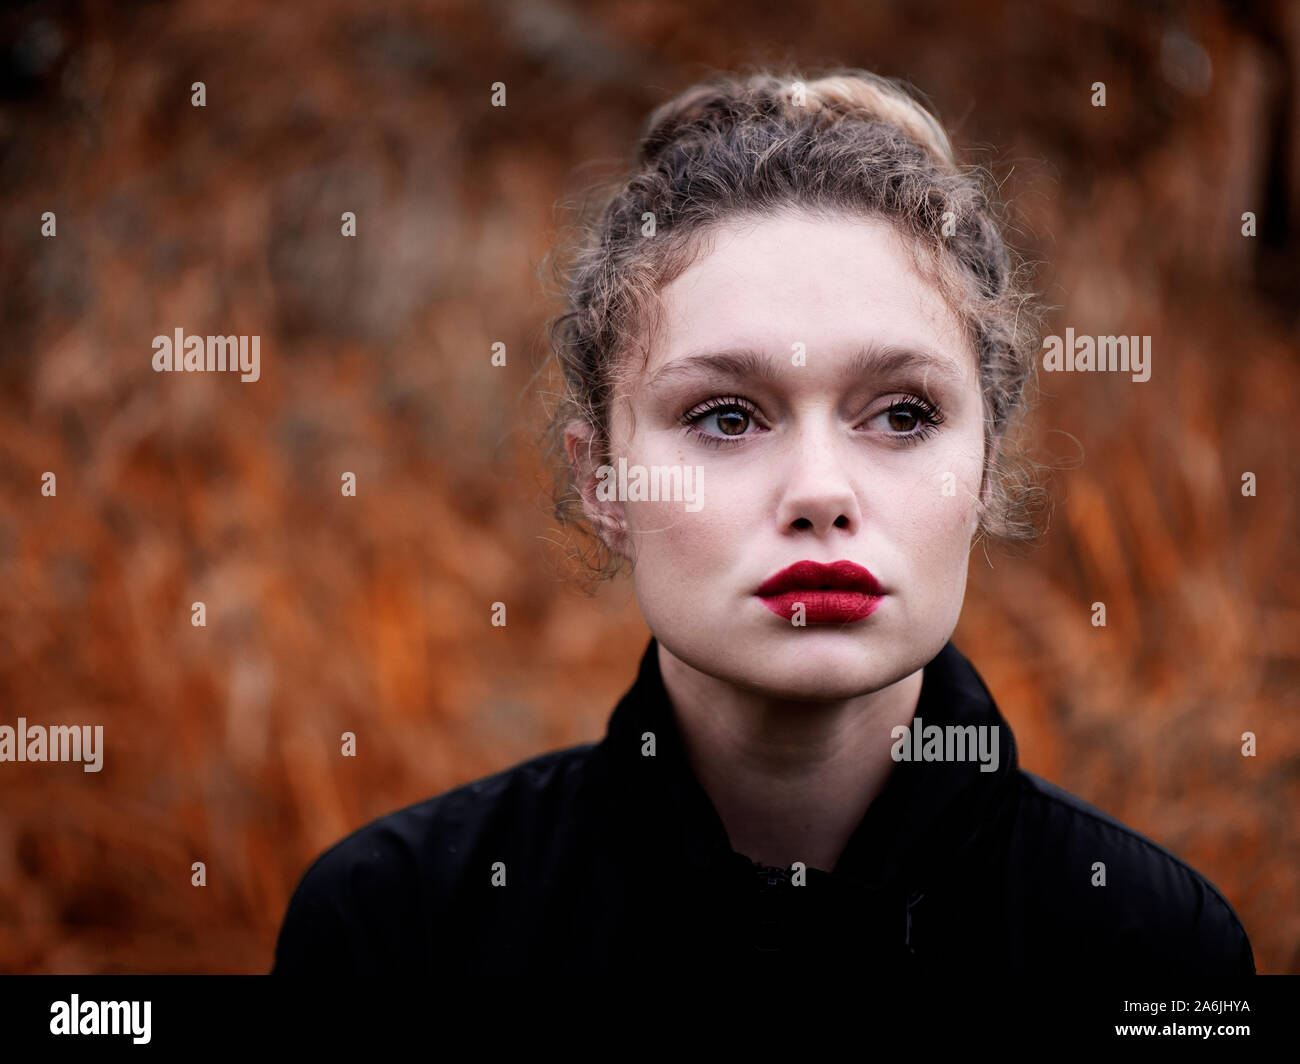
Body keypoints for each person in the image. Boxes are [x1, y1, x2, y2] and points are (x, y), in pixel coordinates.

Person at [271, 68, 1254, 976]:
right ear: (603, 482)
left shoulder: (1150, 944)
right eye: (726, 415)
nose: (819, 491)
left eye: (902, 413)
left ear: (986, 466)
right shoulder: (399, 927)